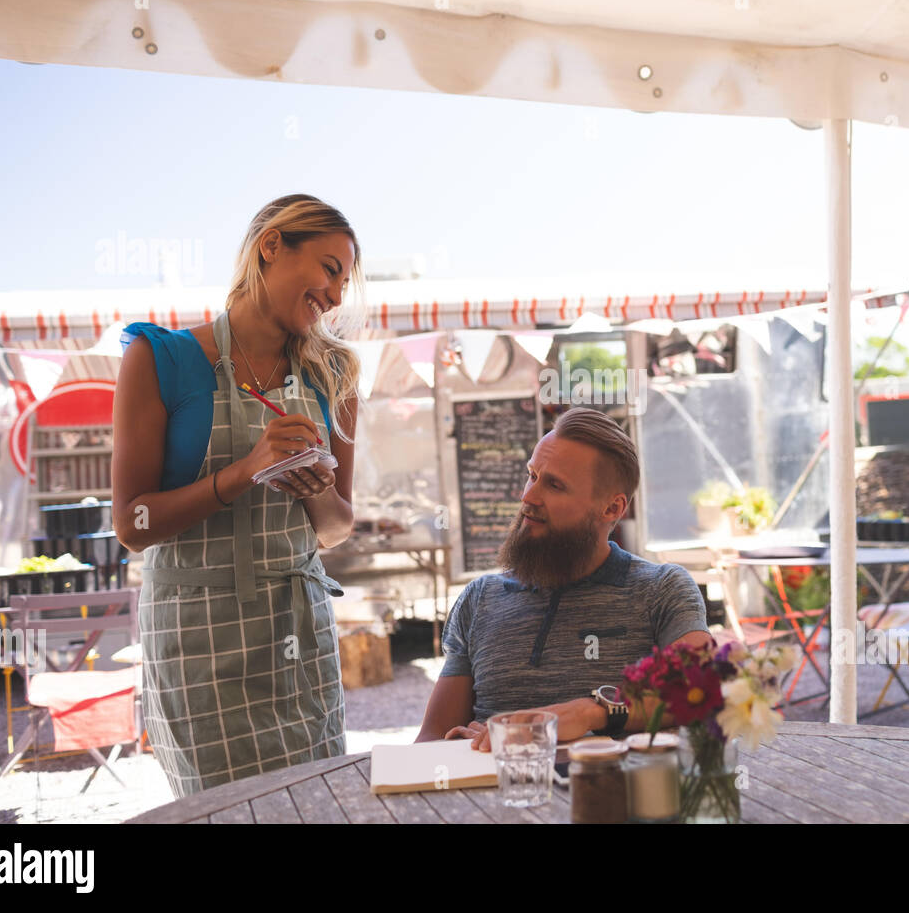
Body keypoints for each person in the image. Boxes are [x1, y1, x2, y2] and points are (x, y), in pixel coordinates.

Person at [112, 194, 368, 796]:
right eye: (330, 269)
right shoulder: (161, 359)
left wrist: (316, 491)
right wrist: (245, 471)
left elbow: (335, 528)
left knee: (318, 805)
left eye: (345, 283)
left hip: (299, 636)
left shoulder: (337, 375)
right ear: (271, 245)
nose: (336, 297)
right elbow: (132, 523)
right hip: (200, 645)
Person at [415, 407, 713, 749]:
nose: (528, 497)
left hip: (610, 795)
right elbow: (430, 741)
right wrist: (461, 750)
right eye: (532, 475)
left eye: (555, 485)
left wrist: (589, 713)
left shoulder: (661, 589)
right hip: (490, 796)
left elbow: (701, 689)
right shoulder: (480, 597)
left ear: (612, 509)